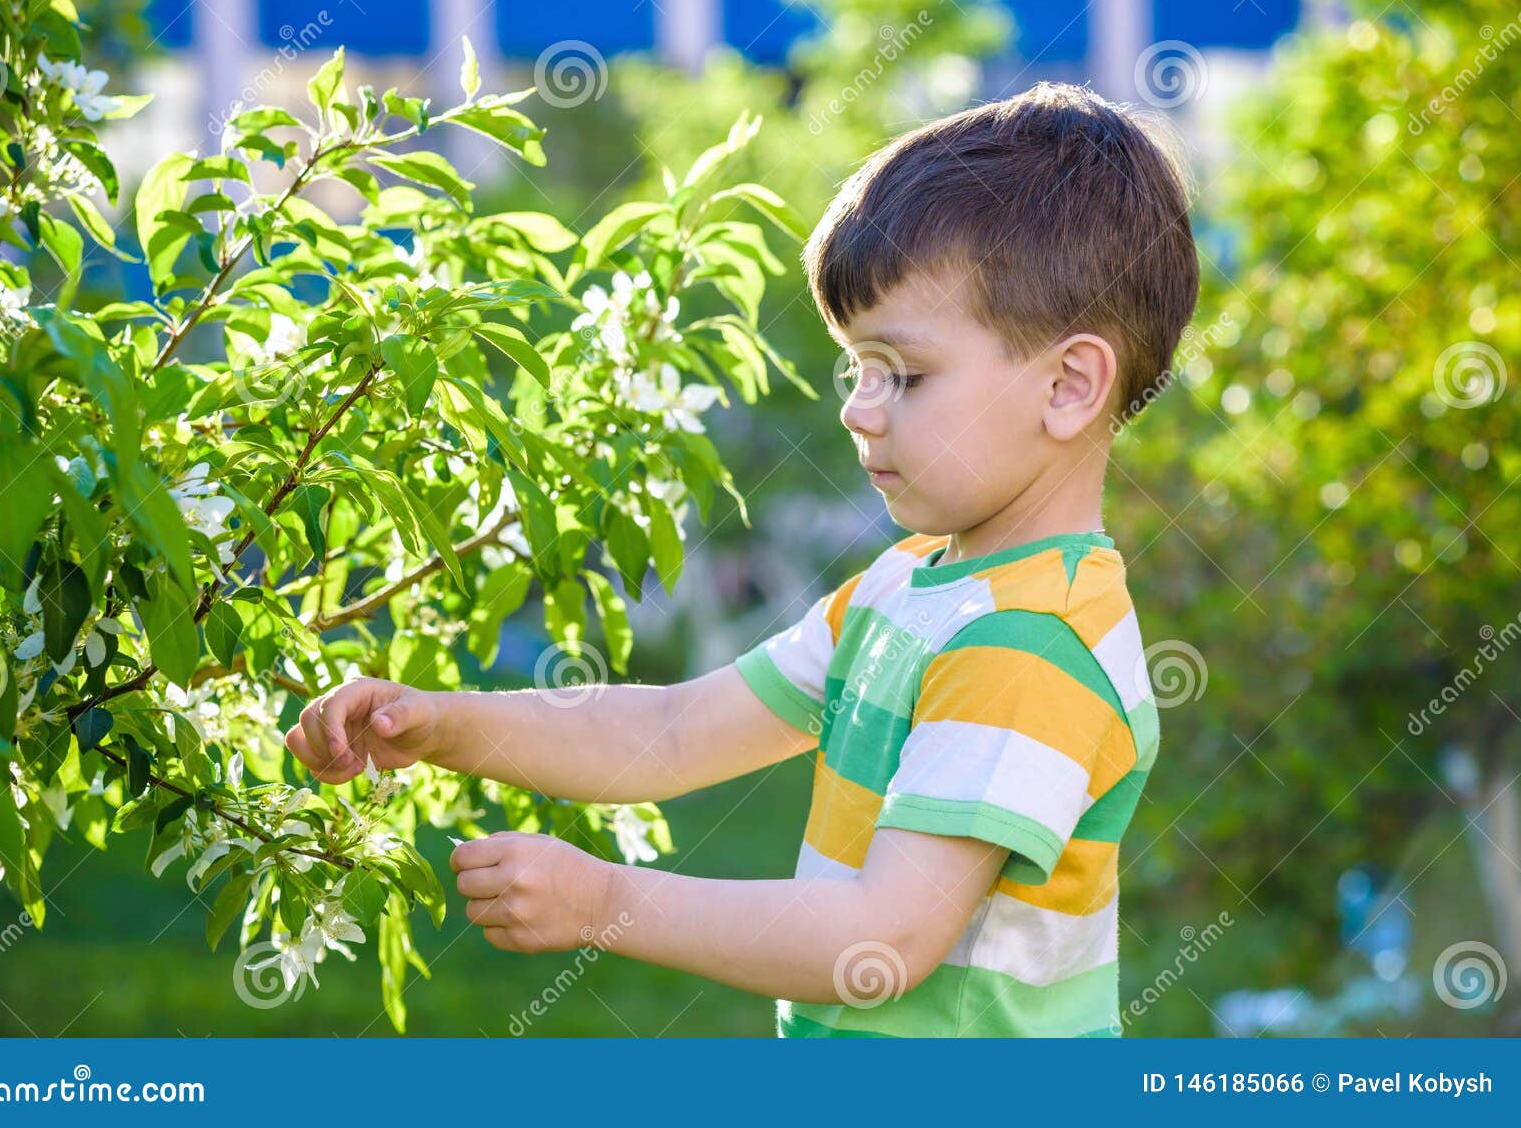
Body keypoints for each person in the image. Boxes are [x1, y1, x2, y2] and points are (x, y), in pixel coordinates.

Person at [286, 81, 1200, 1037]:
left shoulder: (1029, 644)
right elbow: (677, 730)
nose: (858, 407)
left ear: (1069, 385)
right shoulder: (915, 586)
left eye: (904, 373)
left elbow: (877, 944)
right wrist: (440, 723)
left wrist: (606, 904)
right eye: (857, 368)